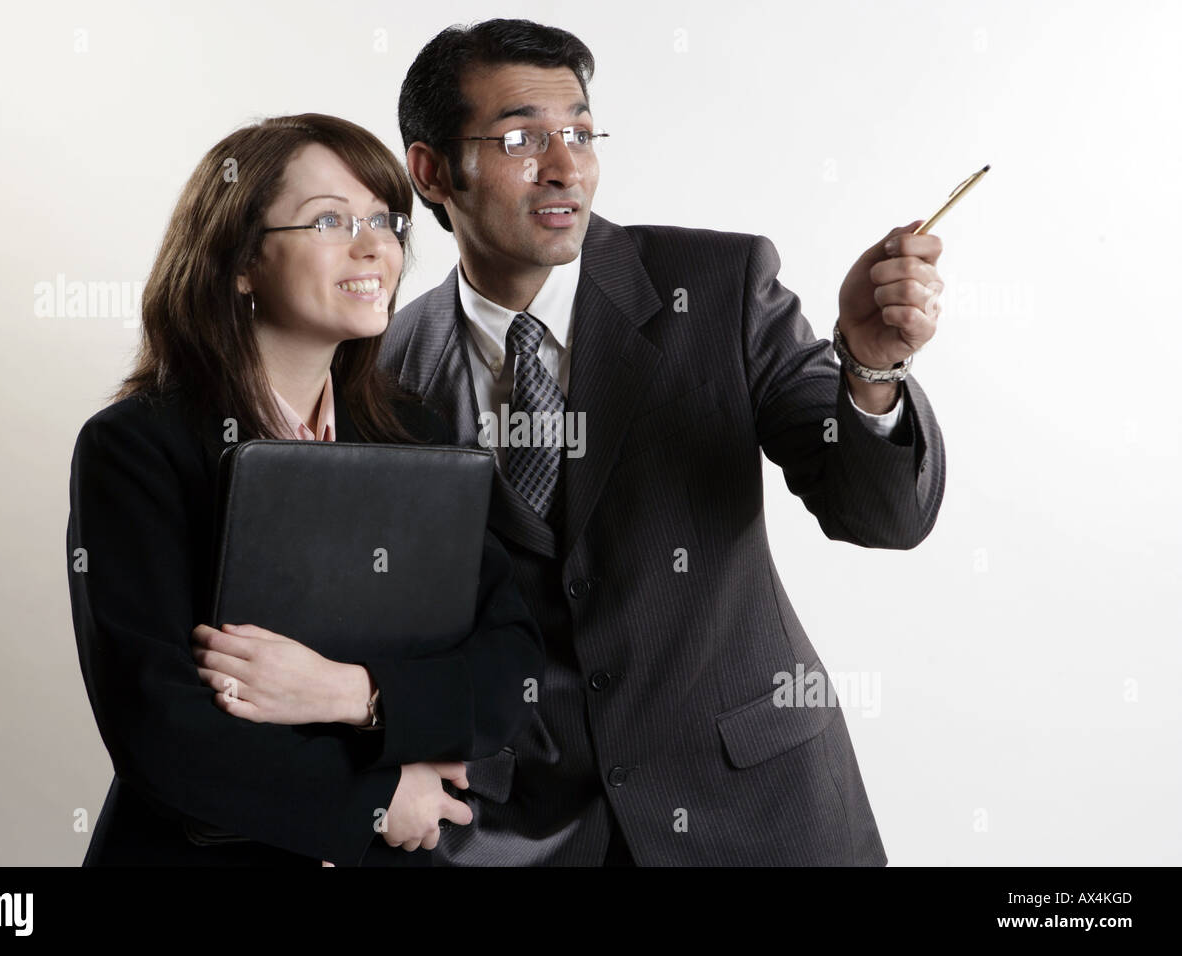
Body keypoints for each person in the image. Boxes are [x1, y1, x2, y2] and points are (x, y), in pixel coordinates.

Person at [379, 19, 948, 865]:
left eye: (578, 132)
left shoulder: (717, 287)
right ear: (431, 169)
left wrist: (867, 371)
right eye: (521, 137)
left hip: (759, 809)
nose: (565, 166)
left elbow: (882, 514)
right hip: (521, 833)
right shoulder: (388, 365)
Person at [65, 112, 544, 867]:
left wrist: (355, 693)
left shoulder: (413, 436)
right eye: (329, 220)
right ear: (241, 262)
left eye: (385, 220)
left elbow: (511, 668)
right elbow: (156, 724)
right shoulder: (135, 448)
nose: (374, 246)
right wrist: (378, 801)